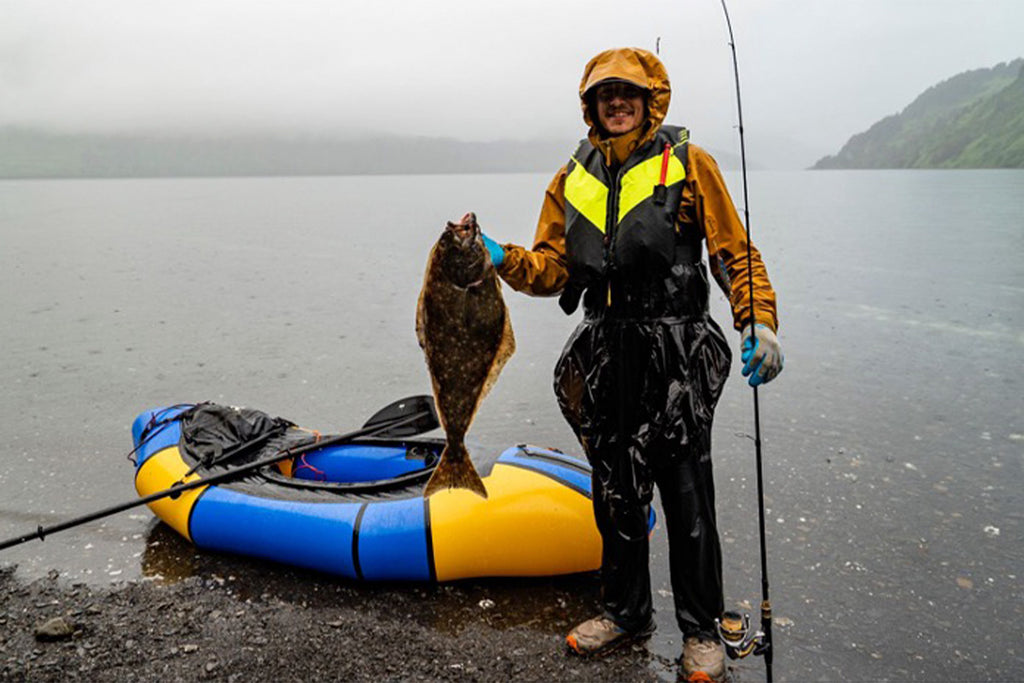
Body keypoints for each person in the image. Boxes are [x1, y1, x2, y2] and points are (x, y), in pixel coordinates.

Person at [478, 47, 782, 682]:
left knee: (686, 492)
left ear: (651, 101)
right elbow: (553, 268)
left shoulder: (688, 164)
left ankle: (701, 630)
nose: (616, 102)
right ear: (589, 105)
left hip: (678, 348)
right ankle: (625, 611)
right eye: (604, 94)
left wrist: (758, 321)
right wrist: (499, 257)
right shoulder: (571, 176)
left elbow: (733, 253)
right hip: (606, 347)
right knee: (615, 489)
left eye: (629, 93)